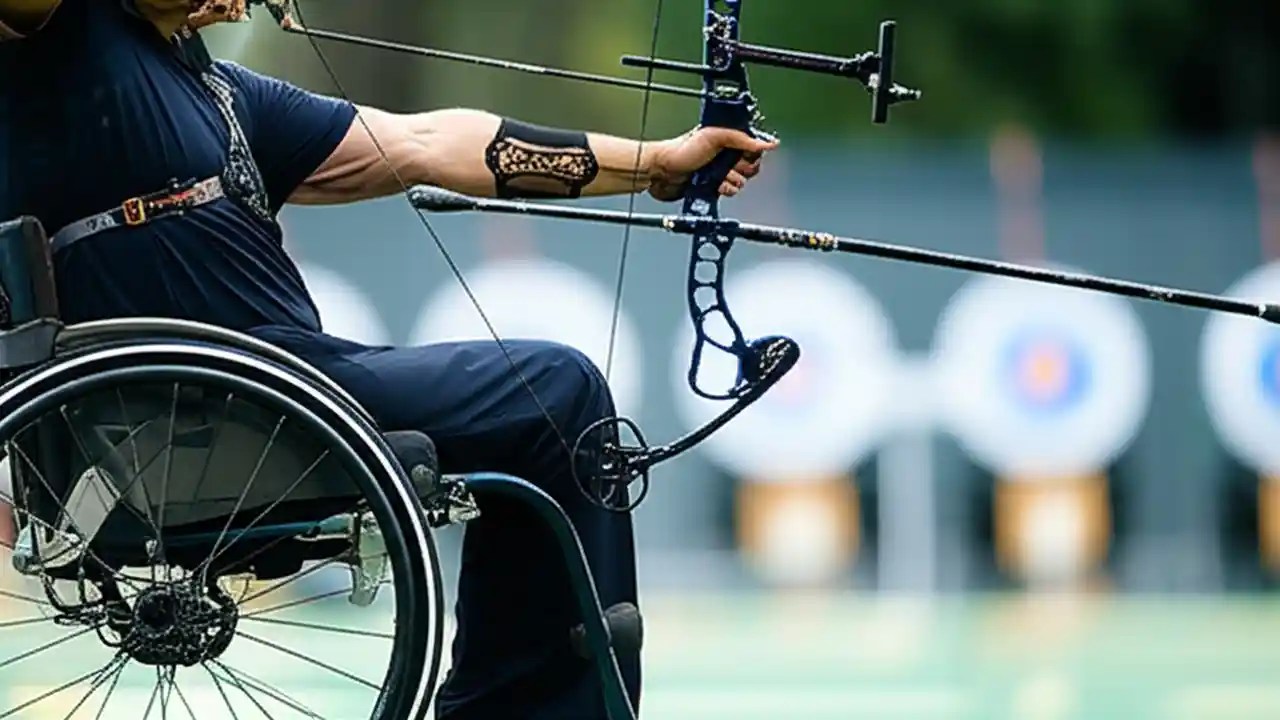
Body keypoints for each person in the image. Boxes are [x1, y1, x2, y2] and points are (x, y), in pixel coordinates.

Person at [0, 0, 776, 718]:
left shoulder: (223, 92)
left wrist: (656, 163)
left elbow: (429, 144)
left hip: (279, 395)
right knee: (558, 393)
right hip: (212, 410)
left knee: (546, 406)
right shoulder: (63, 38)